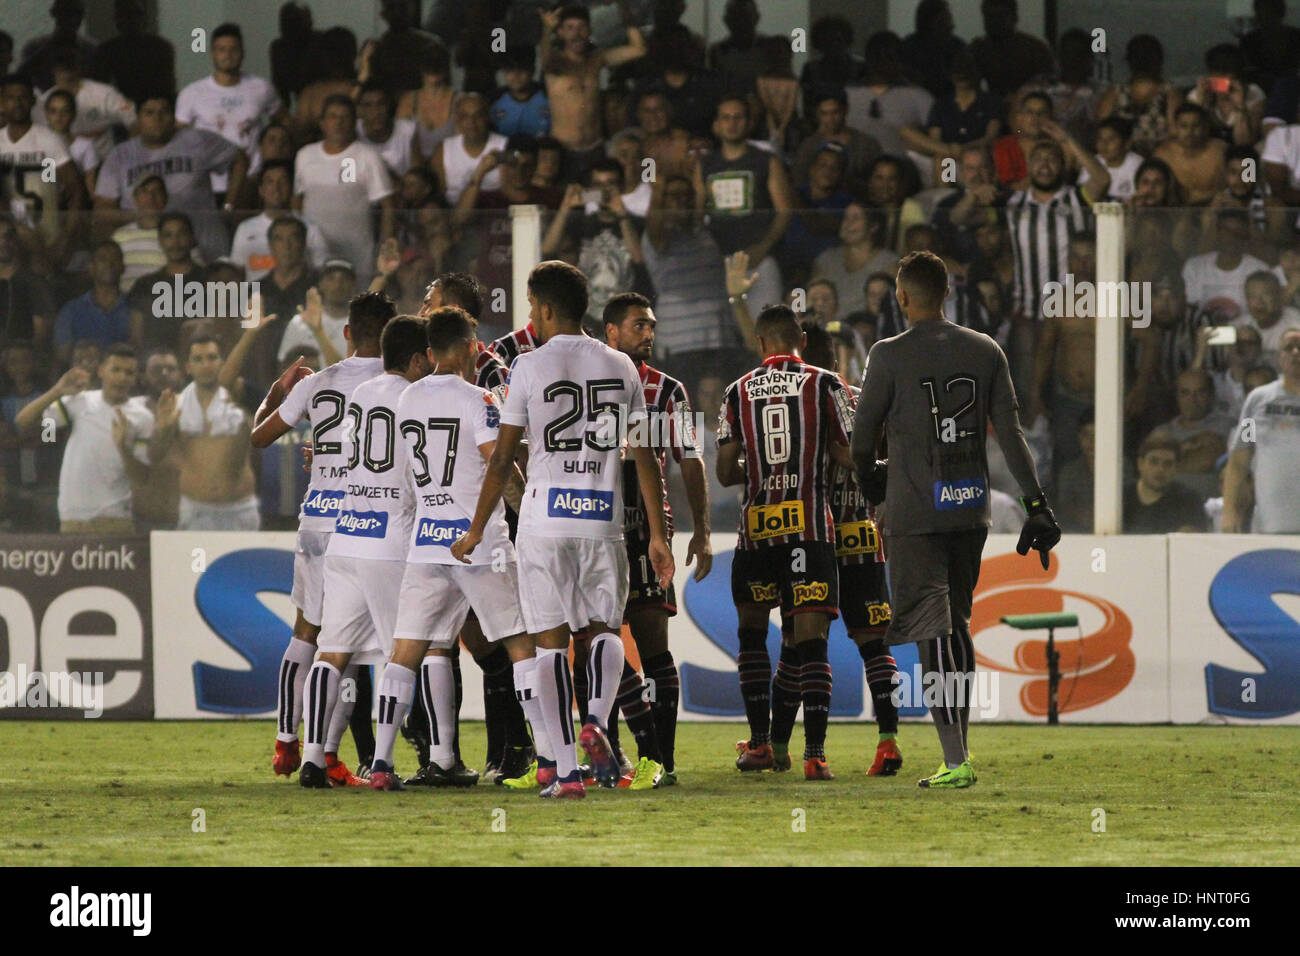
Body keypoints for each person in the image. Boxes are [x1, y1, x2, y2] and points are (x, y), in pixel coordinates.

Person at [451, 261, 675, 799]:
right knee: (603, 628)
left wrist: (478, 527)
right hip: (601, 520)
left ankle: (568, 772)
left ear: (547, 309)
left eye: (531, 306)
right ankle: (597, 718)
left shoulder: (526, 367)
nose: (530, 315)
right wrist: (660, 534)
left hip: (543, 521)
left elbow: (502, 459)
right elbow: (644, 456)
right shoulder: (622, 365)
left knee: (549, 645)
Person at [850, 251, 1060, 788]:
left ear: (901, 297)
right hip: (970, 508)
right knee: (955, 627)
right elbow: (1011, 434)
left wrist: (876, 486)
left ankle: (956, 757)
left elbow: (861, 437)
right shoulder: (984, 349)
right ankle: (958, 751)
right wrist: (1036, 505)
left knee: (933, 629)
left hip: (916, 513)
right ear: (947, 293)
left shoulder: (887, 354)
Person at [370, 305, 532, 789]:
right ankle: (548, 757)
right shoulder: (477, 397)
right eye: (475, 340)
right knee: (520, 644)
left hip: (427, 541)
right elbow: (498, 462)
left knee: (404, 652)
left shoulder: (408, 398)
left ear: (427, 352)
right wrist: (513, 512)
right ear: (467, 348)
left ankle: (381, 764)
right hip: (475, 544)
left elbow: (402, 471)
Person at [250, 291, 395, 779]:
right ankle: (328, 752)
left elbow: (259, 437)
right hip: (367, 521)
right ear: (393, 333)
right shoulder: (400, 384)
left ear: (347, 332)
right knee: (348, 646)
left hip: (317, 516)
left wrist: (276, 390)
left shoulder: (319, 382)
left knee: (306, 632)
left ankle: (287, 740)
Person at [717, 304, 854, 779]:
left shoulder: (737, 390)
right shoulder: (825, 383)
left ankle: (759, 746)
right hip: (810, 530)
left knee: (752, 639)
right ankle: (815, 756)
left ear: (760, 343)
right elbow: (850, 452)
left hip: (756, 533)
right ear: (801, 338)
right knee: (811, 644)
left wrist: (757, 471)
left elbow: (723, 471)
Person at [296, 315, 430, 788]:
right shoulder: (416, 398)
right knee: (403, 653)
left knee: (331, 653)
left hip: (346, 535)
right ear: (417, 359)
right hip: (390, 539)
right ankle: (383, 763)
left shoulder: (360, 395)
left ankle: (313, 757)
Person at [602, 292, 711, 786]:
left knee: (653, 649)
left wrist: (702, 531)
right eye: (638, 325)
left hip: (647, 534)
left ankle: (660, 761)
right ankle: (612, 754)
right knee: (598, 646)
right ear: (611, 332)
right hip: (596, 530)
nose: (648, 333)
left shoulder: (669, 390)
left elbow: (691, 459)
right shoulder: (593, 384)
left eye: (651, 325)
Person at [794, 322, 902, 776]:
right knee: (874, 643)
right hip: (861, 530)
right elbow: (894, 456)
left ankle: (812, 753)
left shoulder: (795, 402)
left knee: (807, 642)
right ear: (835, 359)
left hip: (816, 534)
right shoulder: (864, 400)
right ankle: (888, 742)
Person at [95, 92, 248, 265]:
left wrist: (229, 207)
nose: (157, 118)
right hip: (146, 253)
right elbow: (103, 209)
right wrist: (142, 216)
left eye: (164, 112)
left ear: (173, 115)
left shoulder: (197, 140)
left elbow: (239, 159)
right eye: (149, 113)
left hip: (206, 247)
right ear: (138, 118)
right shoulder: (120, 155)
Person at [14, 343, 153, 533]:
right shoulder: (78, 402)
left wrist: (122, 447)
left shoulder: (143, 418)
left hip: (116, 518)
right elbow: (27, 424)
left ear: (136, 377)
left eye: (129, 373)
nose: (122, 377)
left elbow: (141, 478)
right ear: (102, 371)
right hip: (73, 516)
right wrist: (57, 391)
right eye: (116, 370)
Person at [694, 96, 795, 314]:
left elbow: (785, 211)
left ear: (749, 123)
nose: (732, 123)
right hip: (718, 262)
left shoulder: (767, 161)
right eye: (726, 118)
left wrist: (763, 248)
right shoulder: (705, 165)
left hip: (759, 260)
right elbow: (697, 214)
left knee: (764, 324)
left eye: (738, 117)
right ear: (716, 125)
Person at [150, 336, 258, 531]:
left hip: (240, 509)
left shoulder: (240, 396)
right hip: (196, 510)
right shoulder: (176, 404)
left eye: (212, 357)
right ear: (188, 367)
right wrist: (163, 428)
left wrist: (249, 335)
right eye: (198, 359)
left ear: (222, 363)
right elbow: (155, 455)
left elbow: (230, 380)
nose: (206, 365)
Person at [293, 95, 394, 286]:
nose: (338, 123)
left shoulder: (368, 156)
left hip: (357, 252)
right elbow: (297, 199)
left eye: (344, 117)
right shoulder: (304, 155)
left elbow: (388, 206)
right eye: (332, 116)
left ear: (354, 122)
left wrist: (383, 249)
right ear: (322, 122)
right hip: (314, 252)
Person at [540, 4, 645, 182]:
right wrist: (547, 29)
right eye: (570, 28)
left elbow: (639, 49)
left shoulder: (597, 59)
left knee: (596, 202)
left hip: (595, 148)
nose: (576, 33)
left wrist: (627, 15)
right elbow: (545, 58)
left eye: (582, 27)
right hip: (563, 150)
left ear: (589, 31)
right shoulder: (556, 63)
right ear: (561, 33)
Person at [176, 23, 282, 199]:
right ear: (213, 53)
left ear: (243, 52)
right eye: (221, 49)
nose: (228, 55)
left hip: (251, 179)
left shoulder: (261, 88)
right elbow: (178, 138)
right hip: (207, 181)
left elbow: (283, 122)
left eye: (233, 49)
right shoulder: (192, 93)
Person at [542, 159, 643, 331]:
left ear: (621, 187)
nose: (604, 191)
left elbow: (639, 259)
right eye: (598, 185)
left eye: (611, 184)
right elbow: (547, 249)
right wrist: (565, 208)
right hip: (586, 319)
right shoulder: (580, 223)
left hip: (625, 319)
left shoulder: (636, 223)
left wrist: (621, 214)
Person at [1223, 327, 1300, 532]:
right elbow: (1239, 459)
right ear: (1278, 358)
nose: (1295, 353)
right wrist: (1229, 512)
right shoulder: (1258, 401)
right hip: (1270, 521)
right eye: (1288, 348)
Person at [34, 44, 135, 166]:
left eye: (70, 64)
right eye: (60, 65)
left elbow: (134, 121)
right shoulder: (43, 102)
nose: (65, 70)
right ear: (53, 68)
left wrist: (131, 157)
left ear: (79, 65)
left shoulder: (104, 94)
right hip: (61, 168)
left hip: (103, 166)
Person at [228, 161, 330, 280]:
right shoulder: (245, 228)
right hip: (255, 296)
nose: (276, 187)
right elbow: (236, 272)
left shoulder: (310, 227)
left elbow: (323, 271)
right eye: (270, 182)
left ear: (291, 189)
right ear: (261, 190)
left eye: (283, 182)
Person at [53, 240, 130, 366]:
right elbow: (62, 358)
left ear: (123, 267)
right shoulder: (71, 311)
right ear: (91, 267)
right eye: (102, 259)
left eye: (115, 259)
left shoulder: (134, 308)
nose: (109, 264)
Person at [89, 0, 175, 108]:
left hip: (154, 109)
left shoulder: (161, 48)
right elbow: (100, 90)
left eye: (136, 14)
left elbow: (166, 89)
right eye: (126, 14)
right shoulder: (106, 51)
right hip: (118, 111)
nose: (132, 19)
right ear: (117, 19)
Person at [967, 0, 1055, 102]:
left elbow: (1049, 84)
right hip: (991, 108)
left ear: (1014, 17)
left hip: (1029, 108)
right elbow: (968, 85)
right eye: (989, 17)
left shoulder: (1035, 49)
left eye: (1000, 17)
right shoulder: (978, 49)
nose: (994, 22)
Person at [1123, 433, 1209, 533]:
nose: (1160, 469)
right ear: (1140, 464)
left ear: (1176, 468)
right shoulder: (1120, 496)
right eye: (1153, 462)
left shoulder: (1189, 501)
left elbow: (1195, 544)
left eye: (1168, 464)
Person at [433, 93, 506, 205]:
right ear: (456, 119)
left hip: (496, 212)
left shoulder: (505, 146)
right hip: (453, 215)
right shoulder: (443, 149)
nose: (471, 122)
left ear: (487, 117)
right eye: (464, 116)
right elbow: (438, 196)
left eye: (478, 116)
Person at [1153, 104, 1227, 206]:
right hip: (1173, 212)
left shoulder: (1221, 152)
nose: (1190, 132)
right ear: (1176, 128)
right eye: (1184, 126)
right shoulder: (1162, 155)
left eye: (1196, 125)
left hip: (1214, 210)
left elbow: (1239, 183)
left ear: (1205, 127)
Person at [355, 82, 416, 178]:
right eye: (368, 105)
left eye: (381, 104)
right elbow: (346, 180)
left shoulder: (408, 131)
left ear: (389, 105)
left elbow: (418, 178)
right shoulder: (351, 132)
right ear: (359, 110)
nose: (376, 111)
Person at [490, 46, 550, 137]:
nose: (516, 76)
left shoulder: (549, 97)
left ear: (532, 70)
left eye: (522, 70)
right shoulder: (494, 100)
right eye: (510, 70)